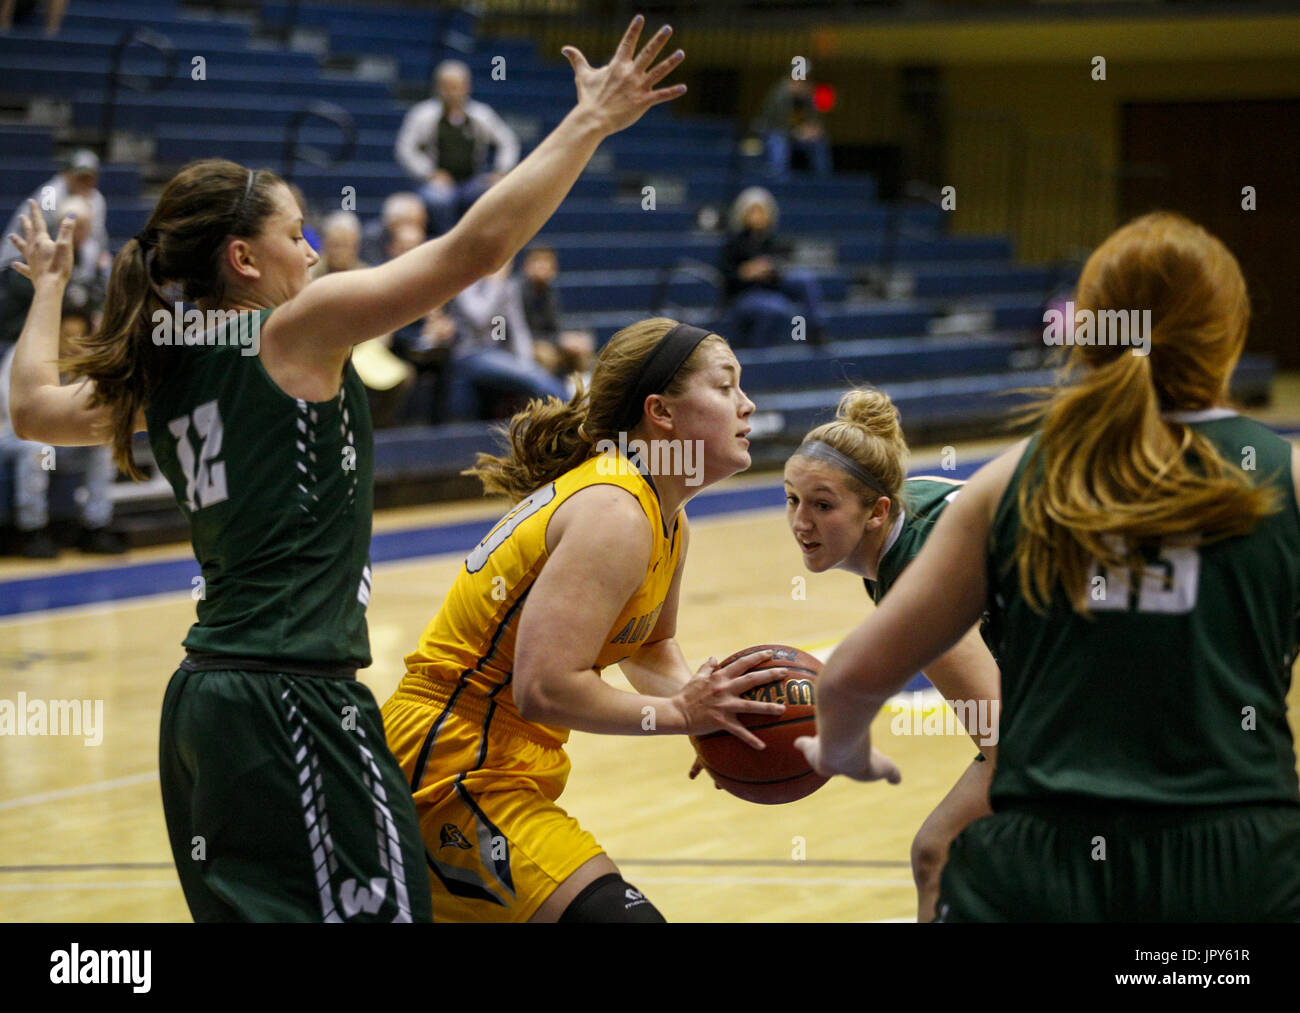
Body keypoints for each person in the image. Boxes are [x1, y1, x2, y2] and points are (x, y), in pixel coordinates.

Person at [7, 15, 689, 922]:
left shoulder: (160, 367)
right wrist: (590, 122)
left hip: (205, 706)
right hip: (296, 693)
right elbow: (475, 252)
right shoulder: (294, 330)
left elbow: (28, 408)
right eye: (297, 235)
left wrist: (47, 287)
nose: (317, 251)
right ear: (244, 259)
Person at [795, 212, 1300, 922]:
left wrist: (843, 748)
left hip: (1053, 861)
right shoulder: (1288, 478)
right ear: (1231, 333)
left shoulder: (1009, 482)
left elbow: (848, 677)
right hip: (1239, 858)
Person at [382, 316, 798, 922]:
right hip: (449, 760)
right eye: (726, 385)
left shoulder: (663, 516)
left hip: (498, 757)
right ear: (661, 412)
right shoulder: (615, 511)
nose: (748, 403)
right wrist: (684, 711)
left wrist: (710, 719)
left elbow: (649, 647)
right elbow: (546, 686)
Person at [778, 388, 997, 922]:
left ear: (876, 512)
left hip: (1123, 676)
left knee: (939, 852)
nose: (800, 522)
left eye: (822, 505)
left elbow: (1006, 740)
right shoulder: (909, 500)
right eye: (791, 499)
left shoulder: (917, 580)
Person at [0, 298, 122, 557]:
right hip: (15, 439)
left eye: (79, 337)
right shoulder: (22, 358)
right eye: (66, 336)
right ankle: (33, 530)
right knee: (39, 450)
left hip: (62, 442)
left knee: (104, 446)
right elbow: (20, 421)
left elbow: (98, 416)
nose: (72, 344)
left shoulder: (88, 364)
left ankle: (96, 526)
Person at [396, 60, 522, 237]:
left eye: (456, 87)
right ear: (438, 87)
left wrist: (501, 170)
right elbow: (405, 149)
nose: (451, 93)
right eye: (447, 87)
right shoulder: (423, 114)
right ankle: (448, 241)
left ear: (466, 87)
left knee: (494, 194)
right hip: (437, 182)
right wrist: (429, 173)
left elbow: (508, 141)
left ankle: (481, 242)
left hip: (472, 181)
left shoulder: (481, 114)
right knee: (438, 200)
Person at [448, 257, 568, 420]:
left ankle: (566, 418)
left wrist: (526, 361)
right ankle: (571, 418)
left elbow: (517, 328)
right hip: (470, 354)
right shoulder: (466, 282)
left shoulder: (508, 287)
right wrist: (495, 284)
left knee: (536, 374)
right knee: (538, 380)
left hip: (498, 353)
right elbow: (479, 319)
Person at [719, 187, 823, 347]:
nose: (758, 217)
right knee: (778, 306)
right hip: (744, 294)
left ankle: (814, 330)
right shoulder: (734, 242)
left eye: (762, 212)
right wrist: (745, 272)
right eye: (753, 211)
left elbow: (779, 271)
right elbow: (726, 275)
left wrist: (771, 269)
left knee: (805, 279)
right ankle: (758, 352)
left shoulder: (771, 241)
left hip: (769, 287)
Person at [1, 149, 108, 269]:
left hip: (58, 258)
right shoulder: (50, 195)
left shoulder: (96, 199)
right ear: (66, 174)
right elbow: (45, 239)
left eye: (89, 177)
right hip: (18, 260)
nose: (84, 182)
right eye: (80, 177)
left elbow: (98, 239)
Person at [518, 245, 595, 392]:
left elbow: (555, 326)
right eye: (539, 262)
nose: (544, 267)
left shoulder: (549, 292)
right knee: (546, 355)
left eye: (548, 263)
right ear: (527, 266)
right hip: (525, 345)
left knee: (580, 352)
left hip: (547, 340)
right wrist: (559, 340)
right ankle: (546, 404)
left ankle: (580, 399)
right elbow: (513, 332)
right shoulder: (515, 291)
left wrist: (571, 340)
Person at [751, 74, 831, 179]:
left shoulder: (808, 98)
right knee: (779, 141)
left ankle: (823, 179)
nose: (802, 85)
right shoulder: (779, 95)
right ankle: (780, 179)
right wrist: (796, 132)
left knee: (820, 140)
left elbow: (815, 121)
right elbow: (775, 124)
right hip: (771, 133)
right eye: (799, 81)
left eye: (805, 81)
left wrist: (813, 130)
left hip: (798, 136)